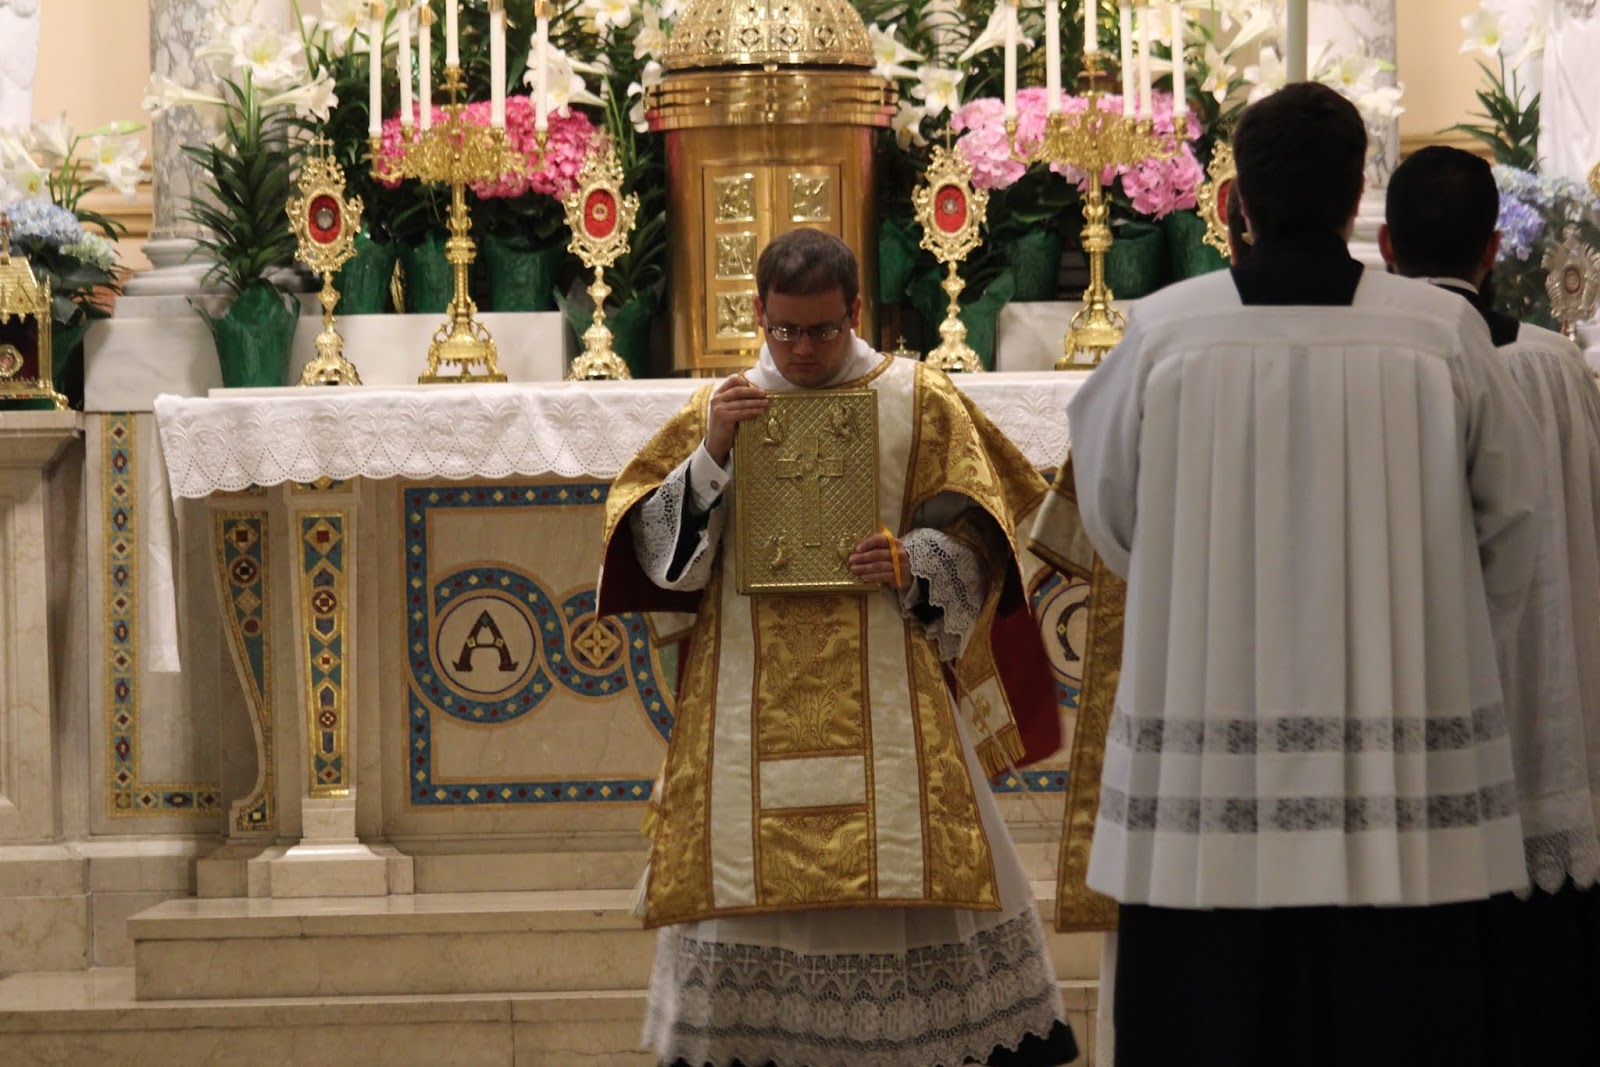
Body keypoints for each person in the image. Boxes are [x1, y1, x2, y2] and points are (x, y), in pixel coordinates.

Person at [1063, 83, 1543, 1067]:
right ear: (1357, 192)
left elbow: (1109, 516)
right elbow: (1514, 523)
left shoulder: (1162, 332)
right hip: (1402, 758)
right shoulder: (1436, 333)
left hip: (1208, 753)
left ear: (1232, 198)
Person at [597, 227, 1076, 1067]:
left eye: (822, 329)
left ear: (856, 311)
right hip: (745, 691)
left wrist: (914, 561)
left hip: (894, 690)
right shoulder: (721, 406)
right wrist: (711, 455)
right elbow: (657, 559)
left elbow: (990, 533)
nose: (804, 348)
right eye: (785, 330)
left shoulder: (918, 398)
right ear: (759, 313)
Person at [1381, 143, 1600, 1066]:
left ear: (1385, 247)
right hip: (1546, 703)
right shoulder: (1555, 368)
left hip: (1416, 732)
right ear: (1494, 248)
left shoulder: (1377, 366)